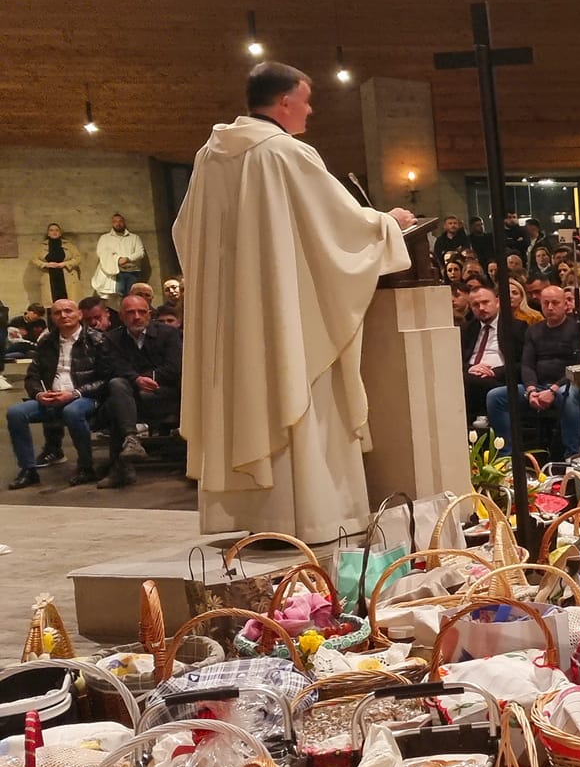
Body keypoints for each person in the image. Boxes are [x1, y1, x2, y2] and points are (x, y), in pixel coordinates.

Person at [177, 62, 413, 537]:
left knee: (245, 393)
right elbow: (335, 225)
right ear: (284, 102)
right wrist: (388, 224)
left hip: (236, 317)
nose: (310, 108)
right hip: (285, 313)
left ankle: (259, 519)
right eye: (305, 99)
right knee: (298, 390)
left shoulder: (210, 155)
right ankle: (313, 517)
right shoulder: (285, 153)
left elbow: (185, 232)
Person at [7, 297, 112, 488]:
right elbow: (32, 376)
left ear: (79, 314)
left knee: (72, 411)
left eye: (68, 311)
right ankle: (28, 470)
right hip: (51, 396)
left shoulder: (97, 340)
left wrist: (74, 394)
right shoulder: (46, 341)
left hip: (84, 397)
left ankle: (86, 467)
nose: (63, 315)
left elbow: (106, 378)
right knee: (16, 413)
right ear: (52, 318)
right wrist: (39, 394)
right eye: (57, 312)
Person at [488, 284, 580, 457]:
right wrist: (531, 390)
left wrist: (554, 389)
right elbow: (527, 364)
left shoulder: (578, 329)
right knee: (496, 396)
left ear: (566, 305)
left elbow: (579, 365)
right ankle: (505, 456)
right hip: (539, 386)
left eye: (555, 303)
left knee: (568, 396)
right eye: (546, 303)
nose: (550, 307)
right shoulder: (534, 330)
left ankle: (573, 455)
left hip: (570, 385)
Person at [95, 292, 183, 486]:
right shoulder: (112, 339)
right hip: (132, 394)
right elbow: (111, 367)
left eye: (141, 312)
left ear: (149, 314)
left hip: (164, 394)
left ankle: (120, 467)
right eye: (130, 312)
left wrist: (147, 378)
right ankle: (131, 440)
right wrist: (136, 379)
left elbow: (174, 367)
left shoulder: (168, 334)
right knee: (116, 386)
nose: (136, 316)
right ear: (121, 315)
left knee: (115, 404)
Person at [457, 279, 524, 431]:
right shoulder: (467, 329)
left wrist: (495, 371)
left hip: (499, 378)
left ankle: (482, 415)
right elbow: (454, 361)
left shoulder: (515, 327)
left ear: (497, 302)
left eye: (486, 302)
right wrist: (471, 368)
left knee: (476, 381)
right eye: (475, 305)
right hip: (471, 375)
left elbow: (522, 364)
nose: (481, 308)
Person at [91, 214, 147, 300]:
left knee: (132, 297)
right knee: (117, 297)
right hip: (115, 273)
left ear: (124, 222)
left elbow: (140, 253)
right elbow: (101, 253)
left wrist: (127, 259)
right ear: (112, 223)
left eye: (120, 221)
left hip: (132, 272)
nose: (118, 224)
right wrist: (117, 260)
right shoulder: (105, 238)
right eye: (115, 222)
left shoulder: (134, 237)